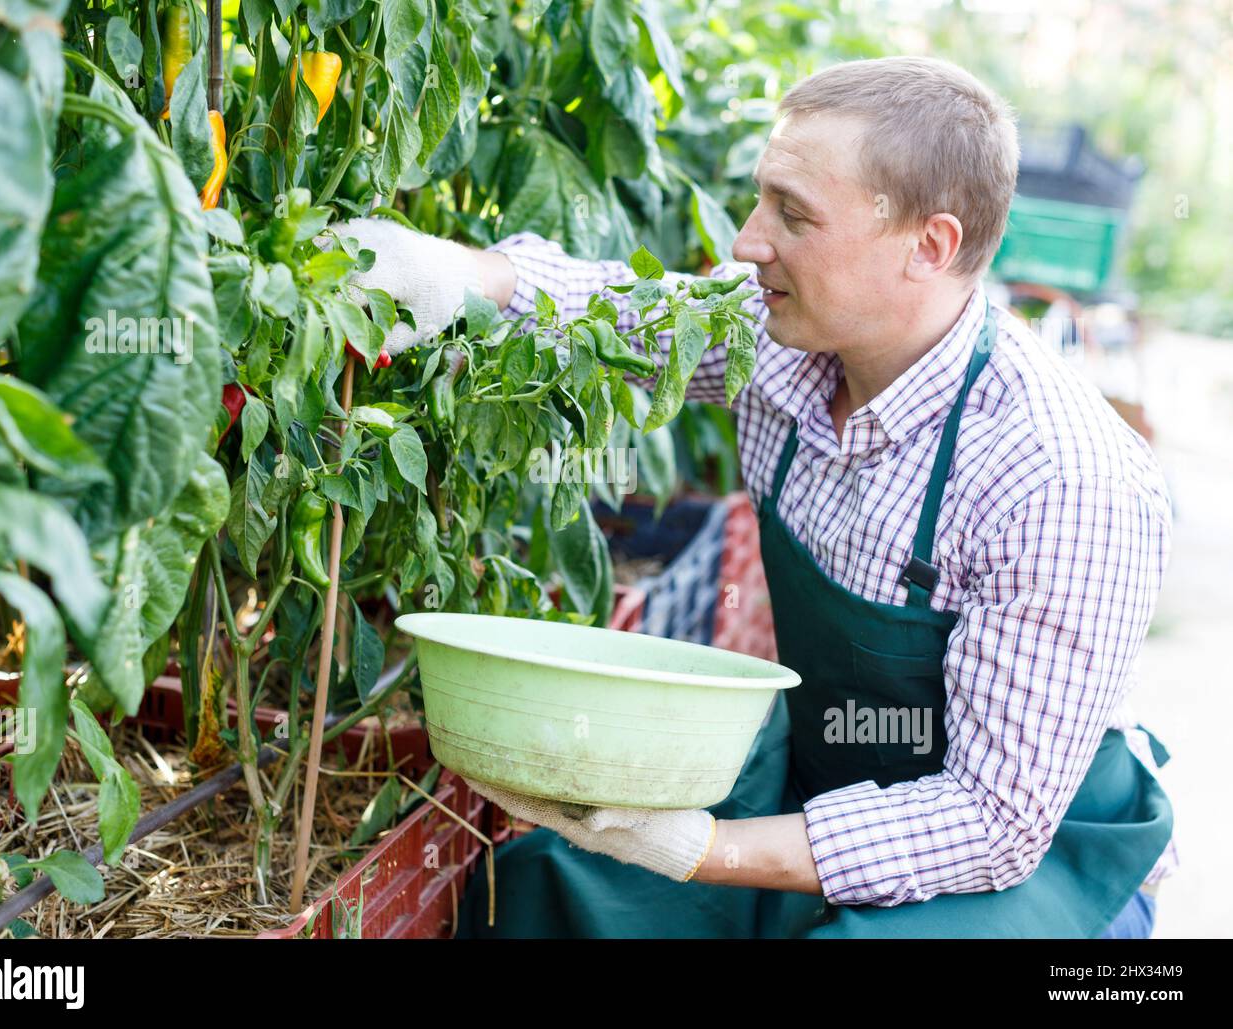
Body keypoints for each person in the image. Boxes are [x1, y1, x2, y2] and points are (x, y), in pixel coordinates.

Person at [330, 56, 1176, 939]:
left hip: (1037, 862)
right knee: (545, 886)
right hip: (830, 771)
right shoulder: (782, 336)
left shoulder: (1061, 475)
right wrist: (453, 274)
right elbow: (626, 318)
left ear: (930, 245)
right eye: (762, 199)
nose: (746, 240)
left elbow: (991, 822)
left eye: (793, 215)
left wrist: (698, 846)